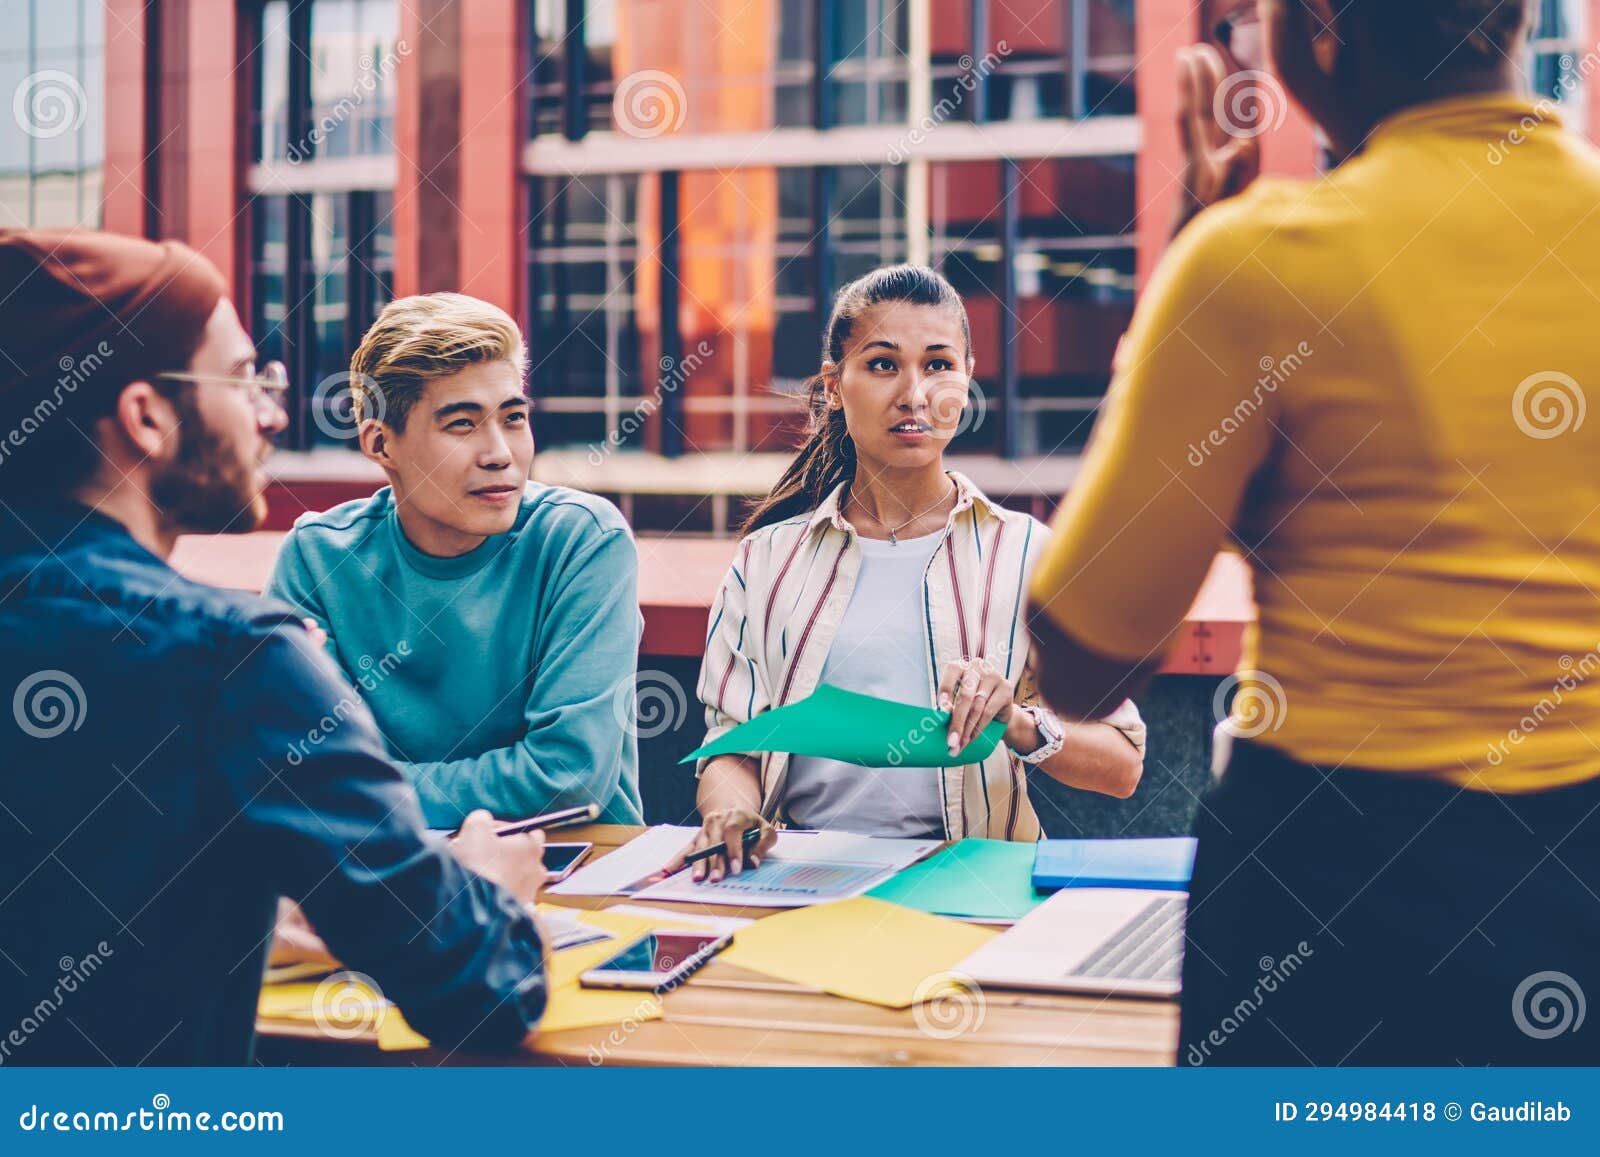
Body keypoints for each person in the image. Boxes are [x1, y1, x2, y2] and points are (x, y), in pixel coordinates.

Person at [1026, 0, 1600, 1065]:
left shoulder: (1262, 261)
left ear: (1325, 28)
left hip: (1331, 879)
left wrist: (1191, 285)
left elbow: (1079, 659)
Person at [0, 229, 550, 1064]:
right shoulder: (232, 657)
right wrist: (490, 891)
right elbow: (481, 983)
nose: (273, 411)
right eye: (242, 378)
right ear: (147, 414)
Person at [678, 265, 1146, 879]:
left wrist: (1017, 724)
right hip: (796, 879)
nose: (914, 394)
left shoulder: (1032, 555)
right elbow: (730, 748)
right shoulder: (765, 561)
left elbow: (1123, 764)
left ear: (966, 382)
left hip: (975, 886)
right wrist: (732, 817)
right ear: (834, 386)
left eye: (938, 364)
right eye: (881, 364)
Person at [265, 293, 645, 828]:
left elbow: (568, 775)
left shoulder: (581, 542)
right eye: (462, 424)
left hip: (575, 877)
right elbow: (294, 768)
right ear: (381, 444)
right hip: (385, 876)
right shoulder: (316, 558)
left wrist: (362, 790)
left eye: (513, 418)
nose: (500, 453)